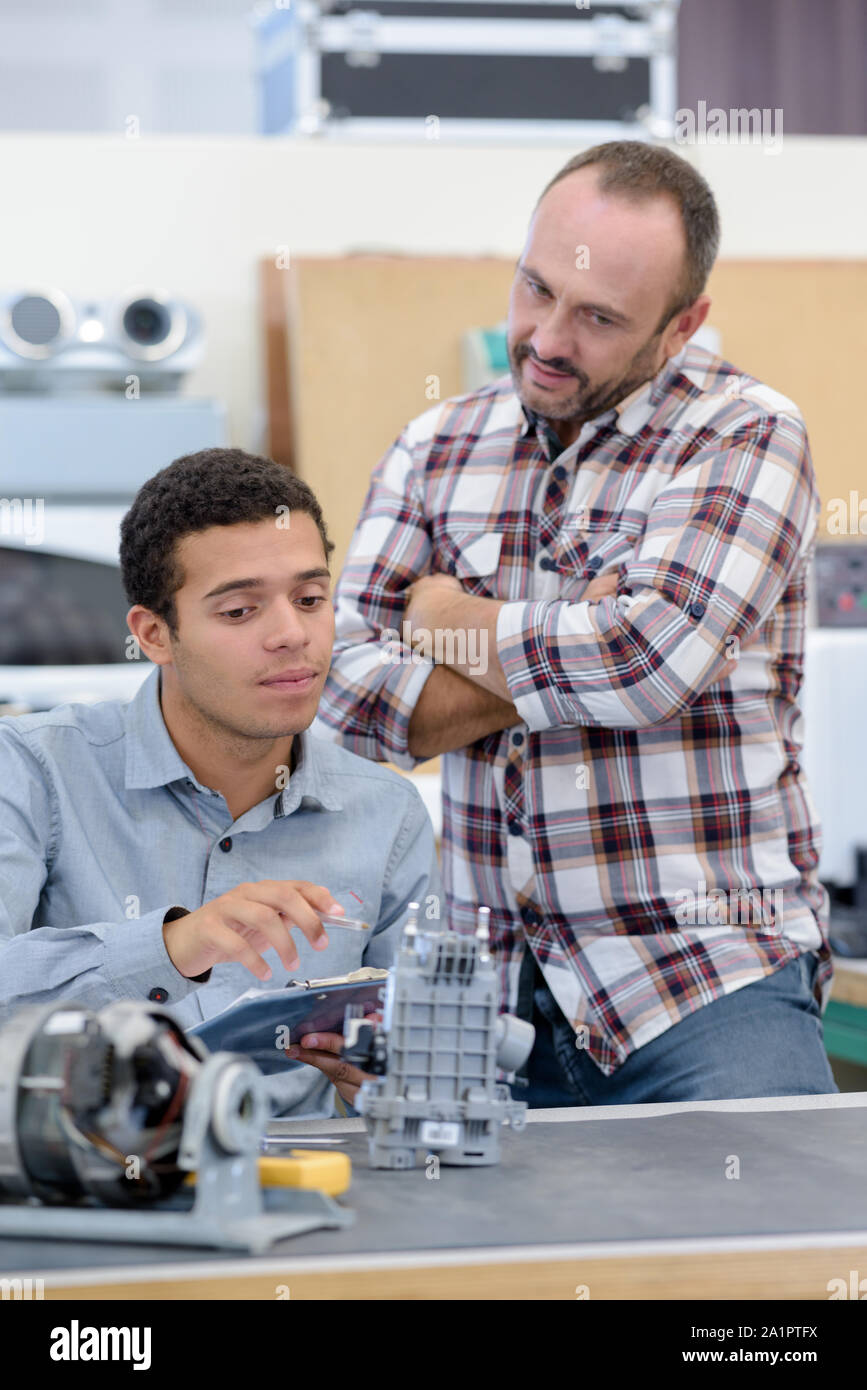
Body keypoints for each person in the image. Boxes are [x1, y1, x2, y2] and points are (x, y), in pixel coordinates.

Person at [315, 140, 837, 1104]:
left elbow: (640, 668)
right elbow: (339, 696)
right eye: (534, 289)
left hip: (701, 972)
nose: (546, 338)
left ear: (682, 325)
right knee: (463, 1256)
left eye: (598, 318)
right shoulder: (439, 444)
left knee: (773, 1242)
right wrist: (566, 637)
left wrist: (440, 618)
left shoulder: (749, 433)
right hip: (480, 988)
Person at [0, 448, 439, 1117]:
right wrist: (172, 947)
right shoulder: (34, 768)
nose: (292, 635)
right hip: (90, 1192)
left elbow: (428, 1056)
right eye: (239, 611)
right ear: (155, 635)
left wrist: (392, 1088)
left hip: (316, 1197)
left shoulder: (387, 812)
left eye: (310, 599)